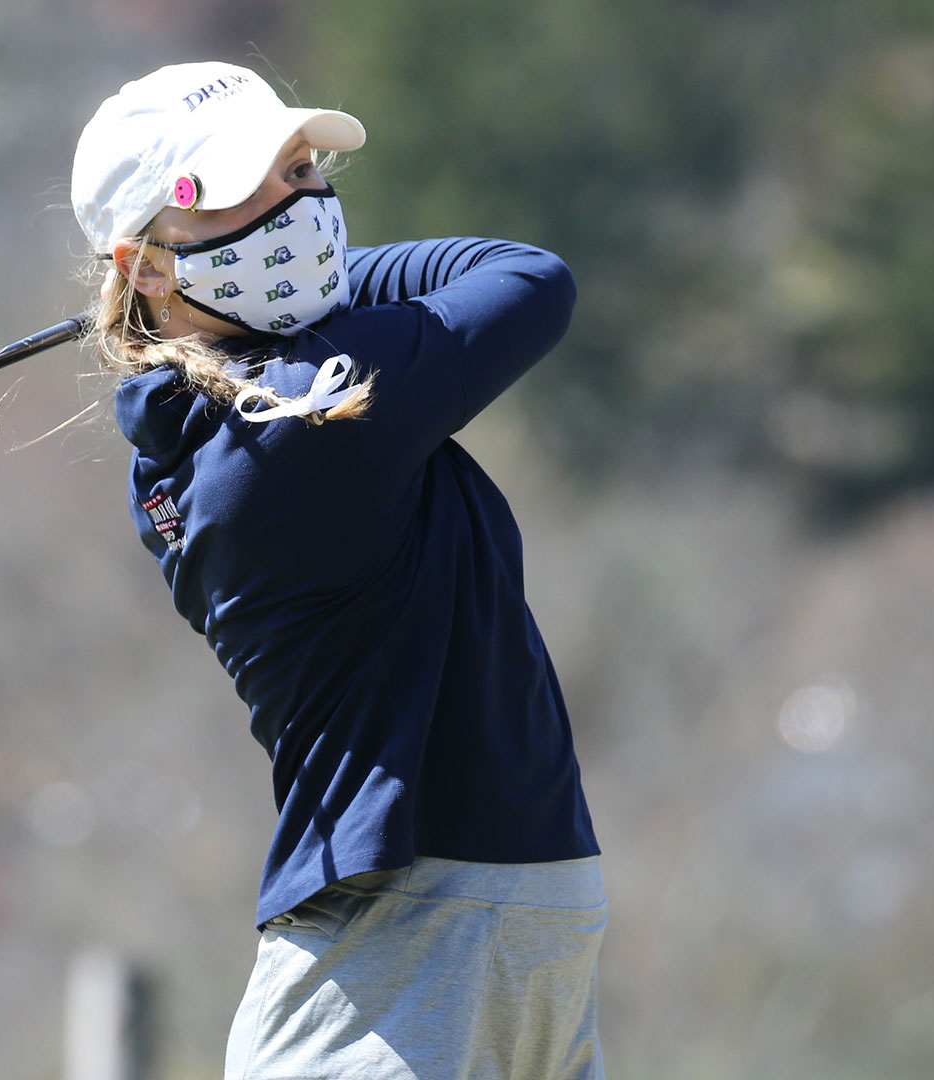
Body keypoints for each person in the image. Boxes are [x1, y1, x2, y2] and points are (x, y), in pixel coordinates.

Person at [70, 61, 607, 1080]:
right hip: (405, 947)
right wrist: (317, 290)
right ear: (145, 261)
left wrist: (270, 286)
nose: (308, 201)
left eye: (306, 169)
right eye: (256, 187)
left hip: (476, 929)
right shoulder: (307, 419)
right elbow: (529, 276)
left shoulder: (225, 431)